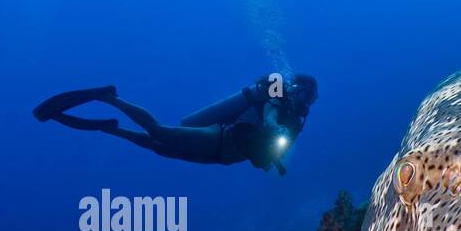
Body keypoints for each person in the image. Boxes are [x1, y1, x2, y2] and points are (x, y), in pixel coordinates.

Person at [32, 74, 318, 174]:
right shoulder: (277, 103)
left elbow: (263, 158)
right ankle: (109, 97)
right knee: (159, 130)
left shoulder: (296, 122)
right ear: (295, 89)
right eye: (303, 92)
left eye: (310, 96)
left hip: (221, 158)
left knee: (160, 148)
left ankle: (111, 128)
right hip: (220, 139)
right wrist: (272, 127)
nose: (306, 99)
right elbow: (268, 115)